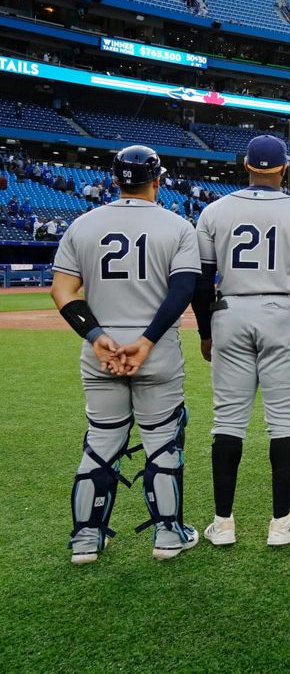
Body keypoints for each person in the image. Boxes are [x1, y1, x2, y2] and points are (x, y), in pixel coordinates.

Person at [50, 146, 202, 563]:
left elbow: (62, 290)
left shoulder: (83, 224)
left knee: (101, 441)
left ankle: (86, 539)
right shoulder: (177, 226)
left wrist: (96, 335)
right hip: (156, 354)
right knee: (163, 443)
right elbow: (182, 291)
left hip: (102, 354)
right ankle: (168, 536)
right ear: (158, 181)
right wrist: (147, 341)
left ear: (115, 180)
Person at [191, 136, 290, 549]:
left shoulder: (214, 210)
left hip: (230, 310)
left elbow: (202, 281)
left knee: (227, 421)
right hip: (280, 312)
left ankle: (222, 524)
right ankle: (281, 523)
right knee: (283, 421)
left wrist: (205, 331)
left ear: (245, 165)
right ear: (284, 167)